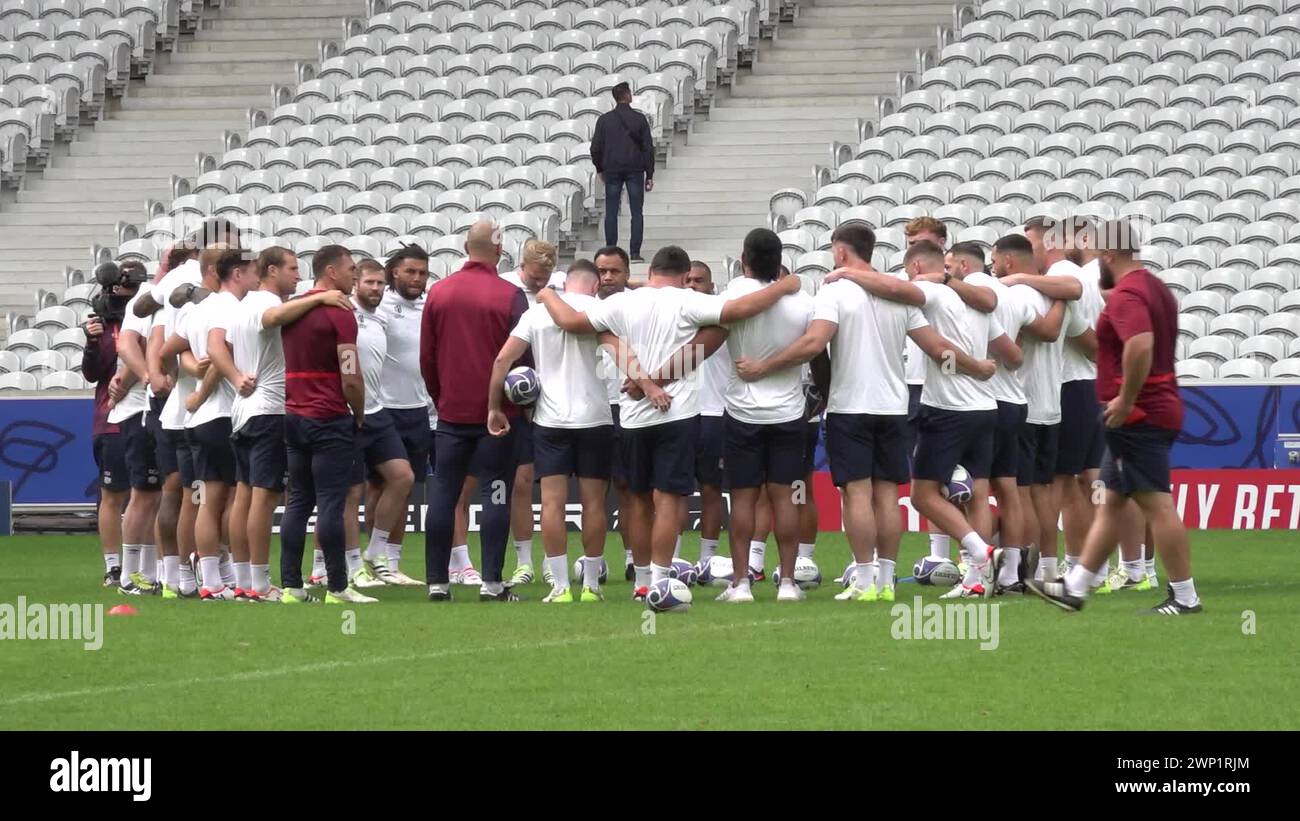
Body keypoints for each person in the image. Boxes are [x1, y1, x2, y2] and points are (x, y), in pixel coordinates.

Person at [536, 244, 804, 600]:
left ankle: (641, 580)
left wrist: (545, 295)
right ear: (682, 277)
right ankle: (663, 580)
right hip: (676, 414)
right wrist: (784, 286)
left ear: (650, 274)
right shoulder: (686, 300)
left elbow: (569, 321)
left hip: (633, 417)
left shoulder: (622, 303)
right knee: (668, 501)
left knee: (638, 502)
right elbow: (740, 309)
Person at [738, 225, 991, 602]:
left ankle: (865, 580)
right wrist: (977, 367)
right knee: (887, 496)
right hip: (893, 406)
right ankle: (887, 581)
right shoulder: (898, 294)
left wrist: (764, 366)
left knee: (857, 494)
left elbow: (813, 343)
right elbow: (937, 348)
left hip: (851, 406)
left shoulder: (836, 290)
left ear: (840, 253)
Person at [1027, 220, 1198, 615]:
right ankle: (1076, 586)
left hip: (1138, 414)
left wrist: (1125, 398)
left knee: (1156, 503)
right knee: (1112, 500)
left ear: (1107, 255)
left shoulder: (1127, 297)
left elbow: (1140, 345)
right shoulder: (1153, 288)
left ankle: (1185, 596)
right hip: (1156, 406)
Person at [209, 246, 353, 602]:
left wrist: (235, 376)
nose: (298, 276)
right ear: (271, 270)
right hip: (269, 409)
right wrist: (320, 300)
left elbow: (219, 346)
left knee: (243, 496)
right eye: (292, 268)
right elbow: (274, 319)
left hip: (242, 410)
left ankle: (243, 580)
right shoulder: (261, 305)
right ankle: (259, 583)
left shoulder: (241, 307)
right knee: (264, 498)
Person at [488, 259, 621, 602]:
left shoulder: (536, 313)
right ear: (594, 285)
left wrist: (494, 407)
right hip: (595, 417)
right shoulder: (602, 310)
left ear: (565, 284)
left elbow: (502, 361)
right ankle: (591, 587)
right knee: (594, 505)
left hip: (550, 421)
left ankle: (560, 587)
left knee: (552, 504)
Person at [898, 241, 1021, 599]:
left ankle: (979, 553)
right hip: (986, 408)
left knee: (922, 495)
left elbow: (939, 350)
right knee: (978, 495)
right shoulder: (979, 302)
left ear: (918, 268)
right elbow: (1013, 355)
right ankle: (976, 579)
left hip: (947, 409)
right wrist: (986, 366)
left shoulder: (931, 293)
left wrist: (975, 366)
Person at [421, 220, 531, 603]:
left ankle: (437, 582)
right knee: (496, 494)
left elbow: (427, 357)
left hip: (451, 415)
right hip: (498, 417)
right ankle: (492, 583)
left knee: (444, 494)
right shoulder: (511, 296)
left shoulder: (438, 292)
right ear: (499, 251)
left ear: (467, 246)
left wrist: (443, 398)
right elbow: (524, 363)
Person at [710, 229, 815, 603]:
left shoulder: (733, 295)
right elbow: (817, 357)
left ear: (744, 259)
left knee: (743, 500)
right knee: (784, 497)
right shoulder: (801, 300)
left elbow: (705, 342)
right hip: (788, 410)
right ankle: (787, 582)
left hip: (743, 411)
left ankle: (740, 584)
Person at [278, 245, 372, 605]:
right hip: (329, 416)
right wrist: (358, 412)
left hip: (294, 414)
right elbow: (350, 374)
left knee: (298, 502)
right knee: (332, 503)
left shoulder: (293, 308)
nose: (354, 276)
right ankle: (337, 587)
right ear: (331, 272)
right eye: (350, 269)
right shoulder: (340, 312)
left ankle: (291, 586)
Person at [348, 260, 415, 590]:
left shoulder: (381, 315)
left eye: (379, 284)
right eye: (369, 283)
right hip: (346, 413)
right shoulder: (342, 310)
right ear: (355, 283)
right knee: (347, 493)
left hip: (376, 410)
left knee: (403, 477)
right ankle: (331, 567)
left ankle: (375, 554)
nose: (375, 289)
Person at [369, 245, 433, 586]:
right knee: (378, 487)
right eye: (410, 271)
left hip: (417, 409)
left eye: (422, 273)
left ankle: (391, 563)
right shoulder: (380, 305)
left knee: (406, 489)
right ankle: (371, 556)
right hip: (383, 407)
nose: (417, 278)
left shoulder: (429, 306)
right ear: (394, 272)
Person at [105, 264, 163, 595]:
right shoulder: (146, 301)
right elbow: (132, 349)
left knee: (156, 496)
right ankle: (128, 576)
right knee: (144, 494)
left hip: (151, 406)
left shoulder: (155, 299)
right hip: (139, 408)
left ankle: (149, 573)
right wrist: (128, 382)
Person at [80, 265, 136, 590]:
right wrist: (90, 343)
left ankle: (145, 564)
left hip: (145, 415)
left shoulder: (149, 319)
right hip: (110, 418)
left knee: (151, 495)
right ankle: (113, 567)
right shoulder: (103, 325)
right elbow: (92, 373)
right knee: (112, 496)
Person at [684, 260, 728, 573]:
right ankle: (670, 561)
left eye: (699, 280)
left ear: (711, 287)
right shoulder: (670, 316)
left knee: (712, 489)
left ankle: (706, 559)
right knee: (670, 492)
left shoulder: (722, 315)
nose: (692, 285)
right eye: (686, 280)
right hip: (677, 414)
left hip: (713, 413)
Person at [591, 81, 655, 263]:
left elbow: (595, 148)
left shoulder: (604, 120)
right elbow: (648, 148)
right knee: (637, 212)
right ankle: (635, 253)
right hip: (635, 169)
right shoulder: (639, 119)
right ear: (628, 95)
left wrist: (600, 169)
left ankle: (611, 250)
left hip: (612, 169)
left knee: (611, 211)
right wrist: (649, 174)